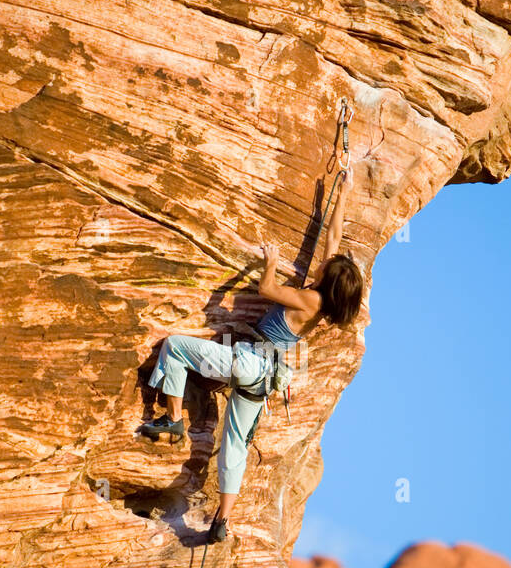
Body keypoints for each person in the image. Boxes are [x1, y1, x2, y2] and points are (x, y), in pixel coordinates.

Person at [142, 169, 363, 542]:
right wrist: (343, 191)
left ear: (327, 279)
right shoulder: (323, 301)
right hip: (264, 379)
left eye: (326, 266)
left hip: (248, 362)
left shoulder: (310, 299)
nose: (323, 262)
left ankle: (174, 420)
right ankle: (221, 521)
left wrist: (272, 259)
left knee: (175, 347)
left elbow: (267, 288)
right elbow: (333, 236)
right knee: (234, 444)